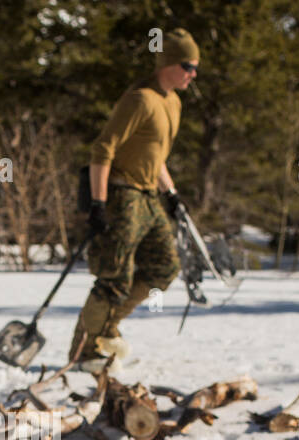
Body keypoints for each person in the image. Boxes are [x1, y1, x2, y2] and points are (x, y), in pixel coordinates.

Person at [69, 28, 199, 372]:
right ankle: (84, 352)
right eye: (187, 66)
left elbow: (155, 157)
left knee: (164, 266)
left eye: (196, 67)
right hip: (120, 191)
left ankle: (106, 329)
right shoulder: (140, 99)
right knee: (114, 273)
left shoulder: (172, 101)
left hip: (148, 194)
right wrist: (97, 203)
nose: (193, 74)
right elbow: (103, 148)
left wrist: (170, 193)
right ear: (169, 63)